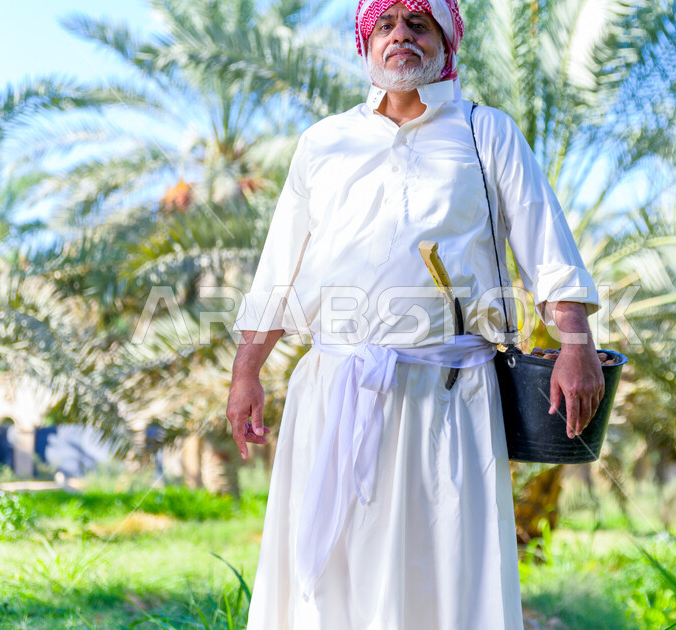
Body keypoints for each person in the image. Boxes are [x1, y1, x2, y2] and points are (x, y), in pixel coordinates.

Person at [226, 0, 604, 627]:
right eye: (385, 24)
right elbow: (278, 270)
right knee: (336, 578)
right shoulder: (323, 143)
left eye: (417, 23)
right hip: (335, 391)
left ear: (446, 42)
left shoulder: (486, 132)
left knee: (446, 574)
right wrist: (246, 373)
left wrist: (577, 345)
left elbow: (547, 246)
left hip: (449, 397)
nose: (400, 35)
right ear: (365, 44)